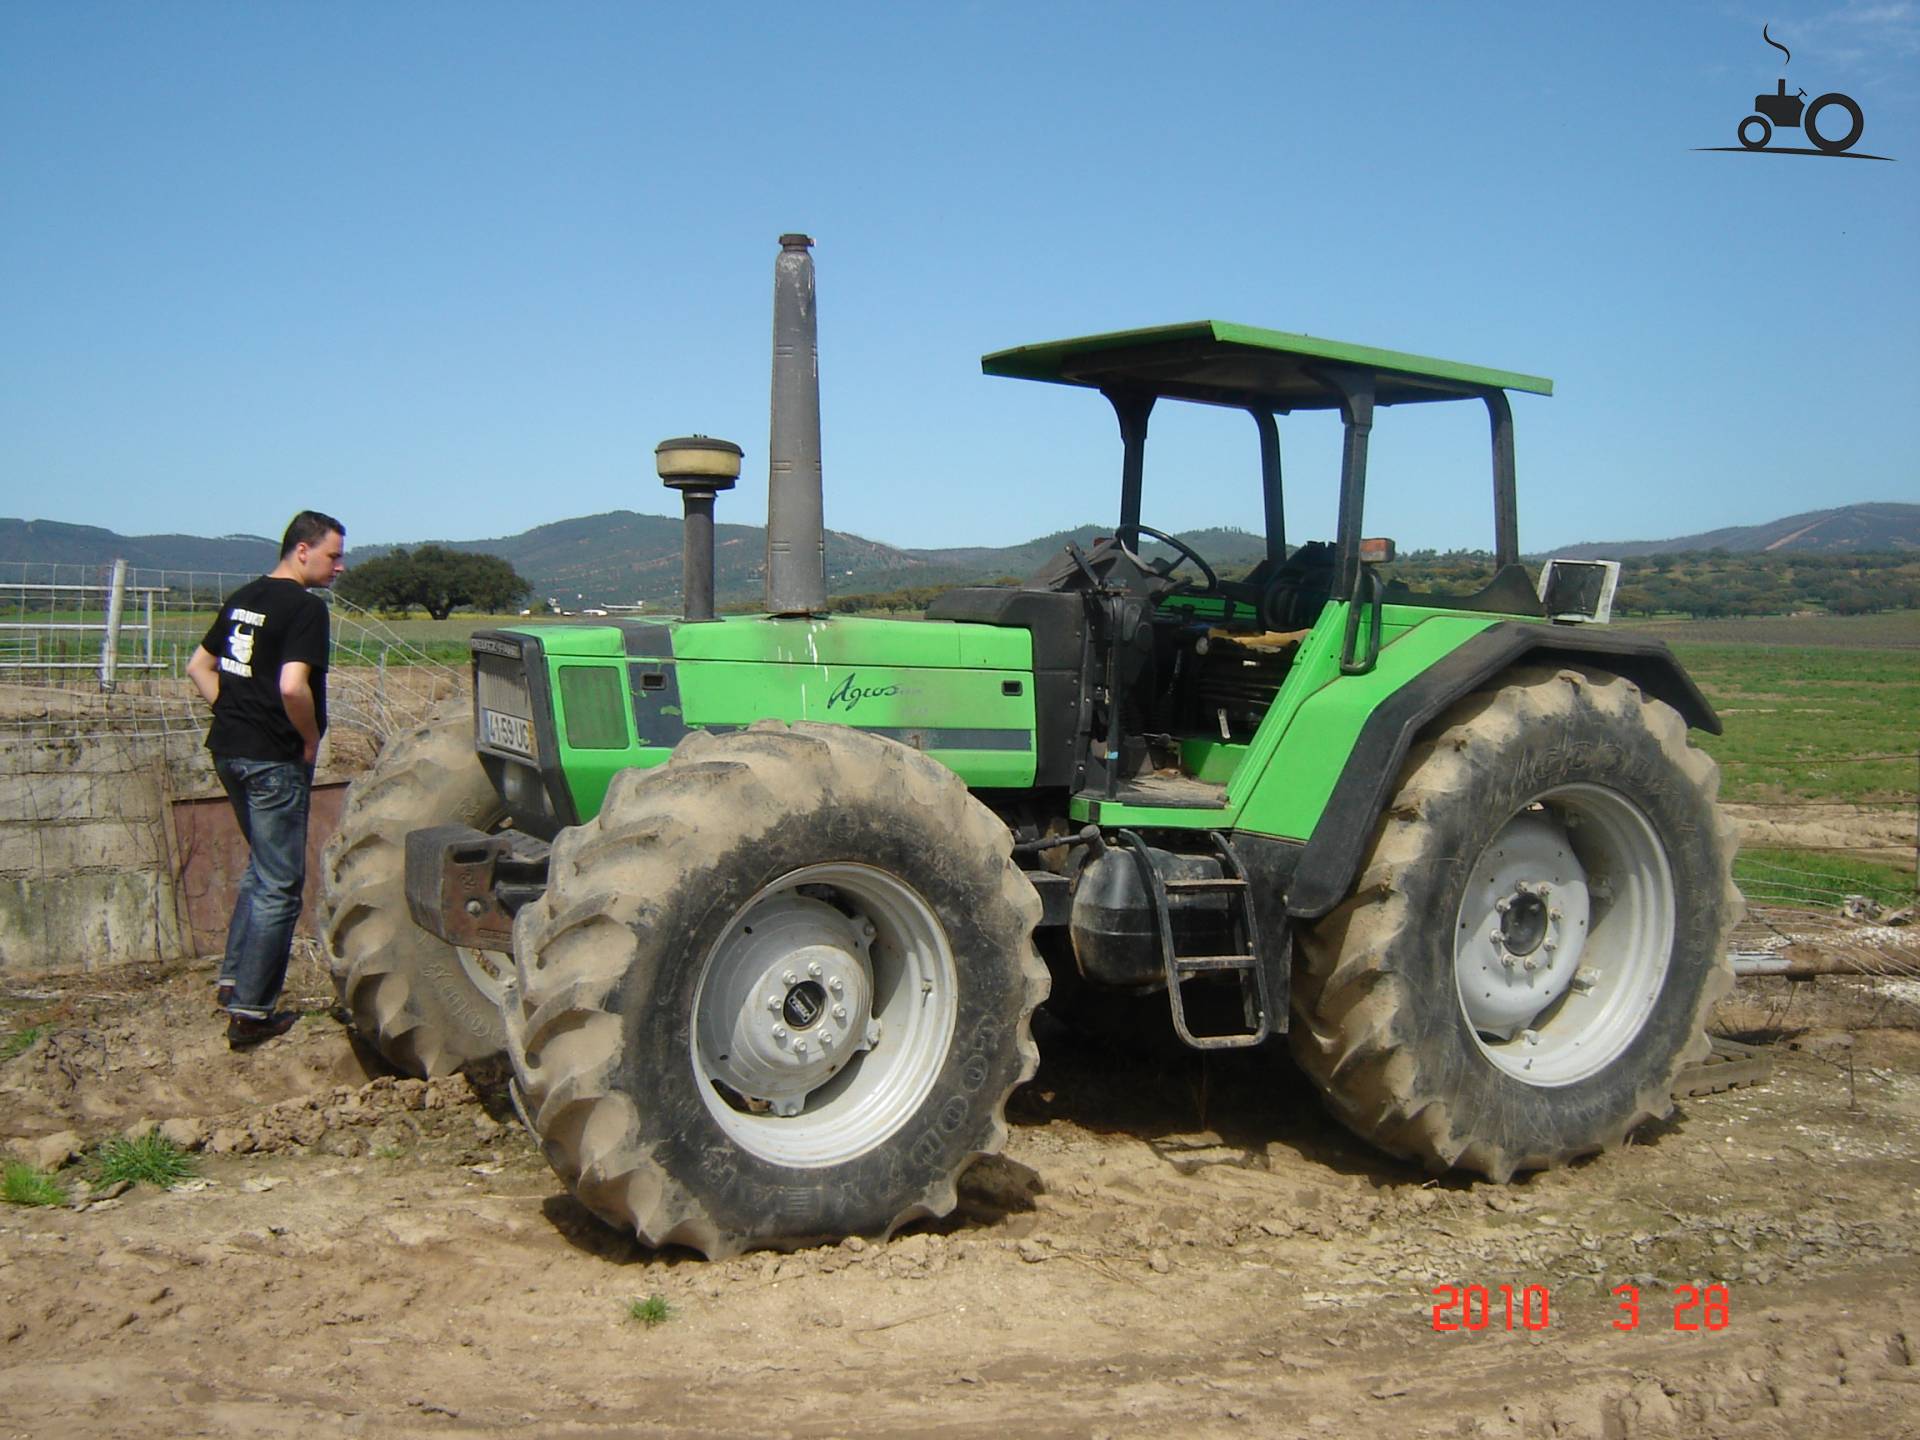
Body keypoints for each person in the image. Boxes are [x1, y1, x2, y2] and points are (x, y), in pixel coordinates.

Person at [186, 510, 347, 1049]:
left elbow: (198, 668)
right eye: (333, 555)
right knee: (281, 886)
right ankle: (252, 1013)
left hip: (229, 751)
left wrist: (234, 715)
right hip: (274, 759)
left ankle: (234, 982)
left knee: (261, 871)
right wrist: (306, 739)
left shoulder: (245, 597)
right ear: (302, 550)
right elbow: (293, 686)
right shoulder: (304, 609)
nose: (339, 566)